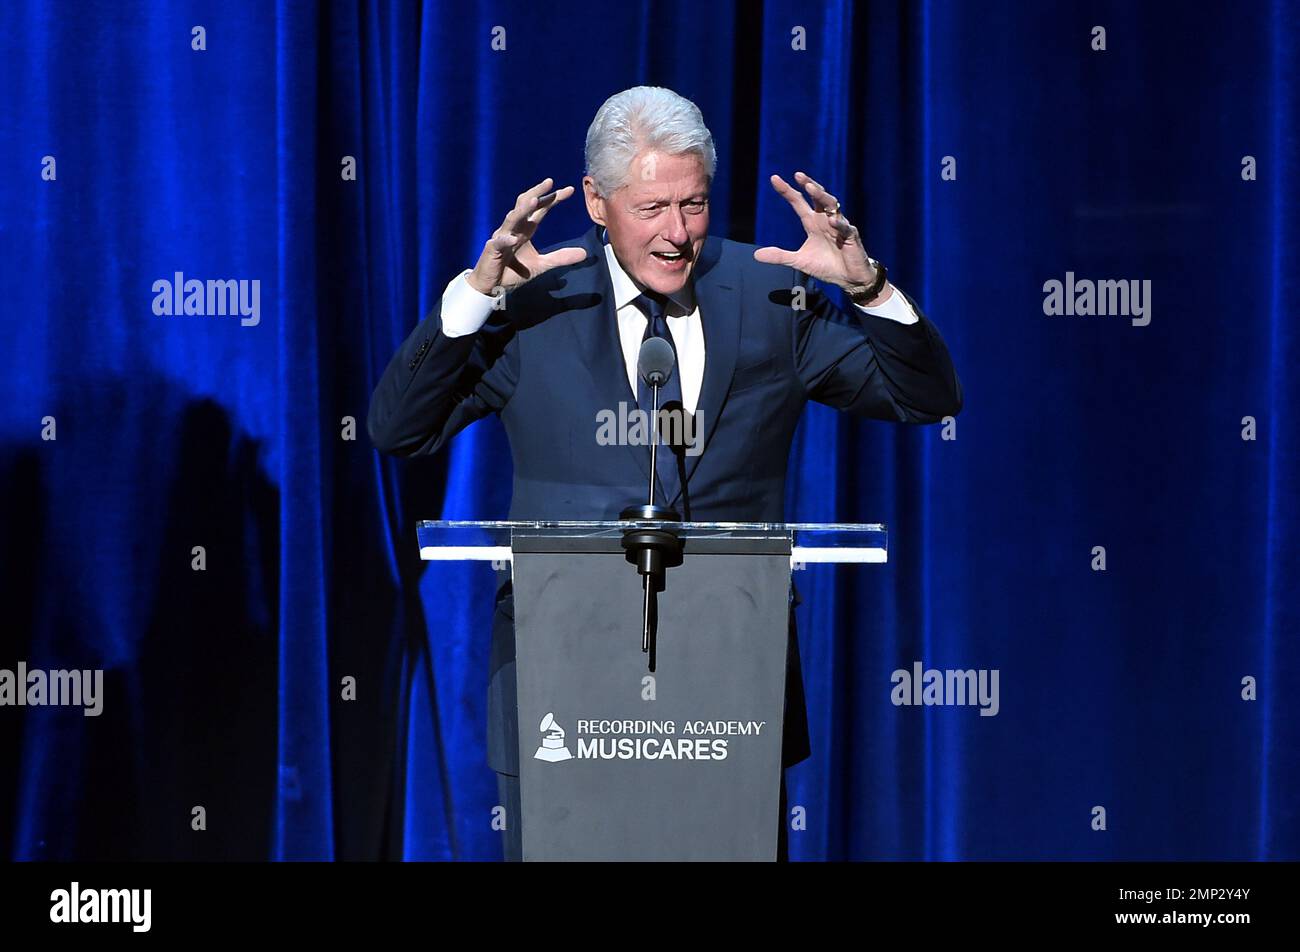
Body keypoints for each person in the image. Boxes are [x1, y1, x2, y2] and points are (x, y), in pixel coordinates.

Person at [368, 86, 962, 860]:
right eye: (651, 208)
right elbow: (399, 428)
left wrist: (867, 287)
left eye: (694, 205)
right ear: (596, 200)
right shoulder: (534, 304)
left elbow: (925, 398)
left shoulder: (768, 290)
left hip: (729, 689)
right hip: (563, 688)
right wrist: (475, 299)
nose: (677, 234)